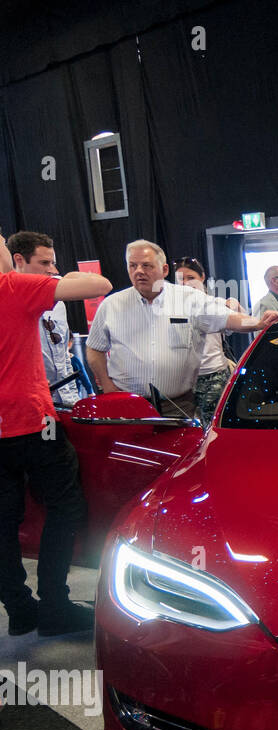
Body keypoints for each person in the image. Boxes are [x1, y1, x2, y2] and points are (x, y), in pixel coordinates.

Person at [0, 229, 112, 636]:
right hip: (33, 422)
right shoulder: (14, 287)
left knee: (2, 525)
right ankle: (54, 606)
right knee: (66, 506)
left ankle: (19, 609)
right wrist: (51, 280)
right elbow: (101, 284)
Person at [86, 240, 278, 418]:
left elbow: (227, 318)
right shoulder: (111, 305)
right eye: (133, 265)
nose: (139, 271)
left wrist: (257, 323)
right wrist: (107, 386)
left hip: (178, 407)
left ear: (163, 270)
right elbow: (95, 348)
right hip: (127, 407)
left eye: (146, 265)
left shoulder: (189, 298)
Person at [6, 231, 79, 407]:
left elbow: (63, 357)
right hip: (30, 402)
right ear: (19, 260)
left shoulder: (58, 301)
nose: (52, 270)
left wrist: (73, 396)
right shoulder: (8, 300)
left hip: (67, 401)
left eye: (53, 263)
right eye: (44, 263)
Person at [174, 257, 242, 426]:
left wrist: (233, 304)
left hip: (213, 376)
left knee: (214, 427)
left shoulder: (216, 304)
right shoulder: (167, 308)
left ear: (202, 277)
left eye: (191, 278)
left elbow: (242, 322)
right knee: (185, 430)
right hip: (181, 380)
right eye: (180, 280)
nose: (185, 284)